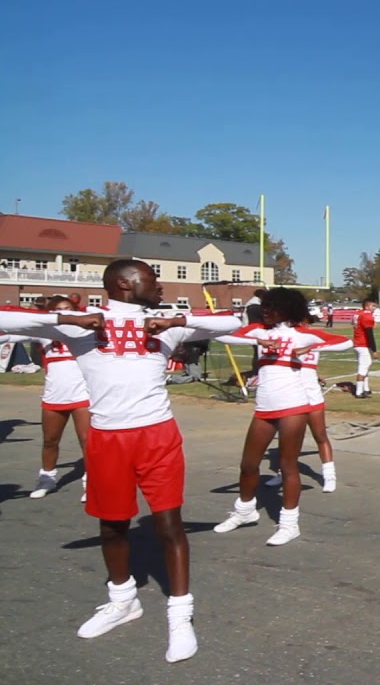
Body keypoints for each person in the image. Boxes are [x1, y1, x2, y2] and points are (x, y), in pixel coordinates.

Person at [0, 259, 242, 663]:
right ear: (124, 283)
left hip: (157, 434)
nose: (161, 286)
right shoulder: (79, 324)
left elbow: (232, 323)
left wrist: (174, 321)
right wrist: (68, 316)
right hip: (107, 437)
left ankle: (179, 613)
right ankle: (123, 600)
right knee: (111, 525)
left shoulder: (165, 321)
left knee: (169, 524)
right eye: (152, 279)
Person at [212, 289, 354, 545]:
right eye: (264, 306)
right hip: (264, 408)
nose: (265, 311)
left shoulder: (300, 334)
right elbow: (222, 336)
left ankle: (289, 524)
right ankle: (245, 511)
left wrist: (311, 345)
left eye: (272, 307)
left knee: (288, 466)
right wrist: (258, 343)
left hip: (293, 406)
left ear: (287, 310)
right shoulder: (257, 331)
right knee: (248, 465)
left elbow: (346, 342)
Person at [0, 296, 92, 500]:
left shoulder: (86, 332)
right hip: (55, 395)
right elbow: (10, 335)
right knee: (50, 440)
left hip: (83, 394)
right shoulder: (45, 333)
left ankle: (91, 480)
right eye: (59, 309)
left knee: (87, 441)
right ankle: (46, 478)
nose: (65, 312)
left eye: (69, 308)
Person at [262, 315, 353, 493]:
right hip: (290, 395)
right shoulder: (286, 338)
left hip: (311, 395)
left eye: (306, 322)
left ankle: (329, 475)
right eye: (300, 322)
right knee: (286, 439)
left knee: (320, 435)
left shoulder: (313, 339)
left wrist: (312, 346)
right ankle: (283, 473)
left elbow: (345, 343)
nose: (303, 326)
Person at [353, 299, 379, 398]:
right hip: (362, 344)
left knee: (365, 367)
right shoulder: (366, 316)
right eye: (373, 306)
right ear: (367, 307)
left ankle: (366, 389)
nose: (374, 308)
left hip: (357, 343)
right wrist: (374, 350)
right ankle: (359, 392)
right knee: (364, 368)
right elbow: (369, 334)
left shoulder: (358, 313)